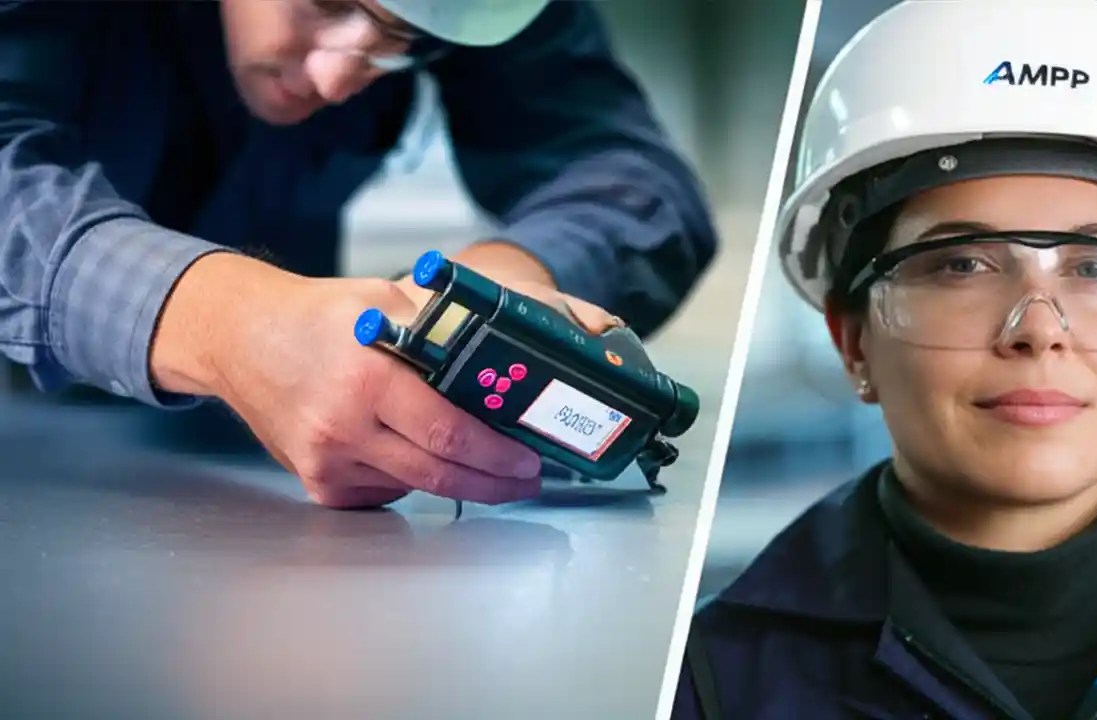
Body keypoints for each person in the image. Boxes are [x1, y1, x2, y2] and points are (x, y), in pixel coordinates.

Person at [674, 1, 1097, 719]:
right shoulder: (713, 681)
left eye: (1096, 267)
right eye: (962, 263)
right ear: (853, 339)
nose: (1039, 332)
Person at [0, 0, 716, 509]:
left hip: (237, 478)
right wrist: (223, 322)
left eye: (400, 40)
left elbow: (633, 177)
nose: (340, 78)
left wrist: (512, 278)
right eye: (326, 2)